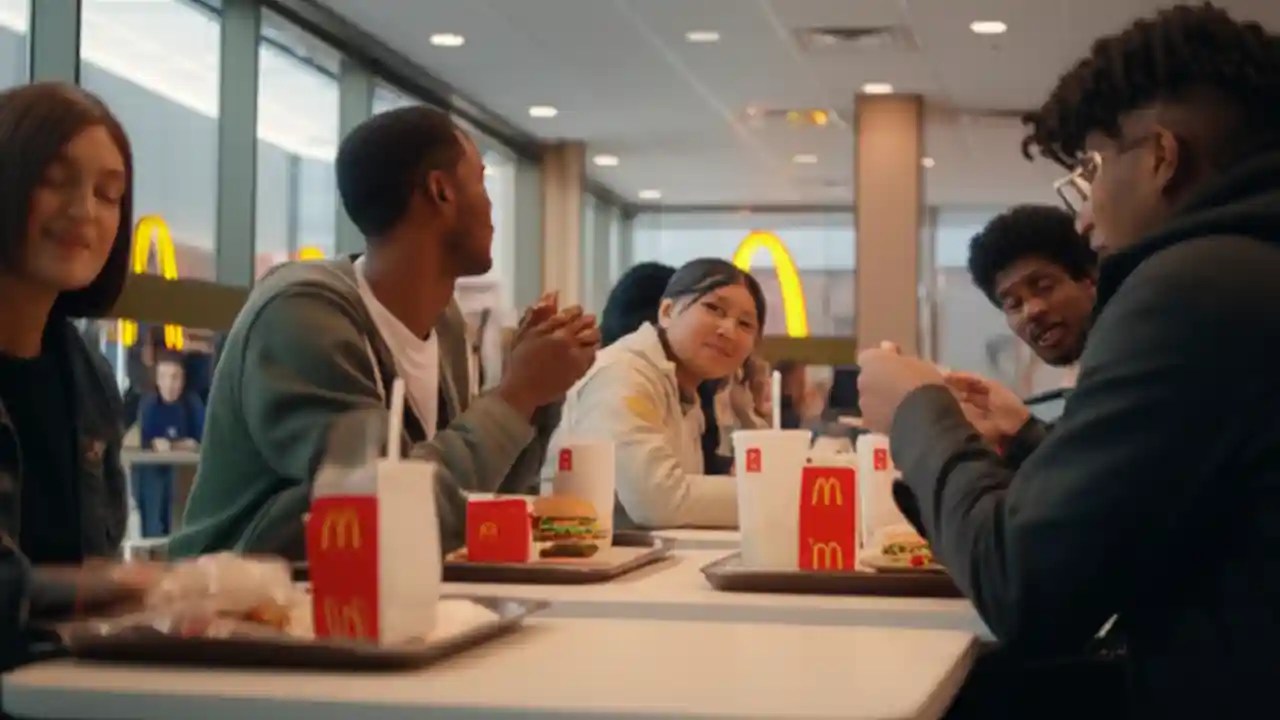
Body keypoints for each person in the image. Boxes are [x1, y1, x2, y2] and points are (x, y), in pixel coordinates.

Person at [857, 4, 1280, 713]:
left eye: (1088, 169)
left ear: (1159, 157)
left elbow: (1024, 589)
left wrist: (917, 412)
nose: (1082, 218)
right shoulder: (1249, 271)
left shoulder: (1194, 288)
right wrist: (1021, 437)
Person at [171, 106, 597, 560]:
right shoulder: (302, 315)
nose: (491, 207)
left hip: (369, 603)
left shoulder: (445, 322)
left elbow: (467, 505)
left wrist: (537, 395)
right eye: (482, 182)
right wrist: (516, 394)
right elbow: (381, 514)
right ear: (441, 191)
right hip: (236, 610)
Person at [0, 82, 149, 666]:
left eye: (109, 194)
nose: (84, 212)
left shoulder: (85, 371)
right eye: (55, 181)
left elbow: (94, 567)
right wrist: (134, 587)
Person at [547, 258, 766, 529]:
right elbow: (657, 502)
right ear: (666, 311)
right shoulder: (624, 372)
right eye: (713, 308)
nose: (728, 330)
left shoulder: (685, 393)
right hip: (577, 556)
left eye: (746, 325)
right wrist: (776, 497)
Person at [946, 205, 1098, 461]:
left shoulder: (1132, 363)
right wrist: (1018, 427)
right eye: (1013, 304)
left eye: (1044, 287)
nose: (1032, 311)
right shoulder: (1088, 385)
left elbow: (1089, 481)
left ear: (1090, 280)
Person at [134, 352, 205, 537]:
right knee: (154, 527)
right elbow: (147, 442)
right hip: (154, 476)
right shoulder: (149, 405)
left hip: (185, 483)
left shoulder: (192, 405)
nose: (170, 384)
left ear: (183, 379)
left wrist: (173, 446)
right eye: (164, 377)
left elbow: (201, 441)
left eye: (175, 377)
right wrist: (176, 445)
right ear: (157, 380)